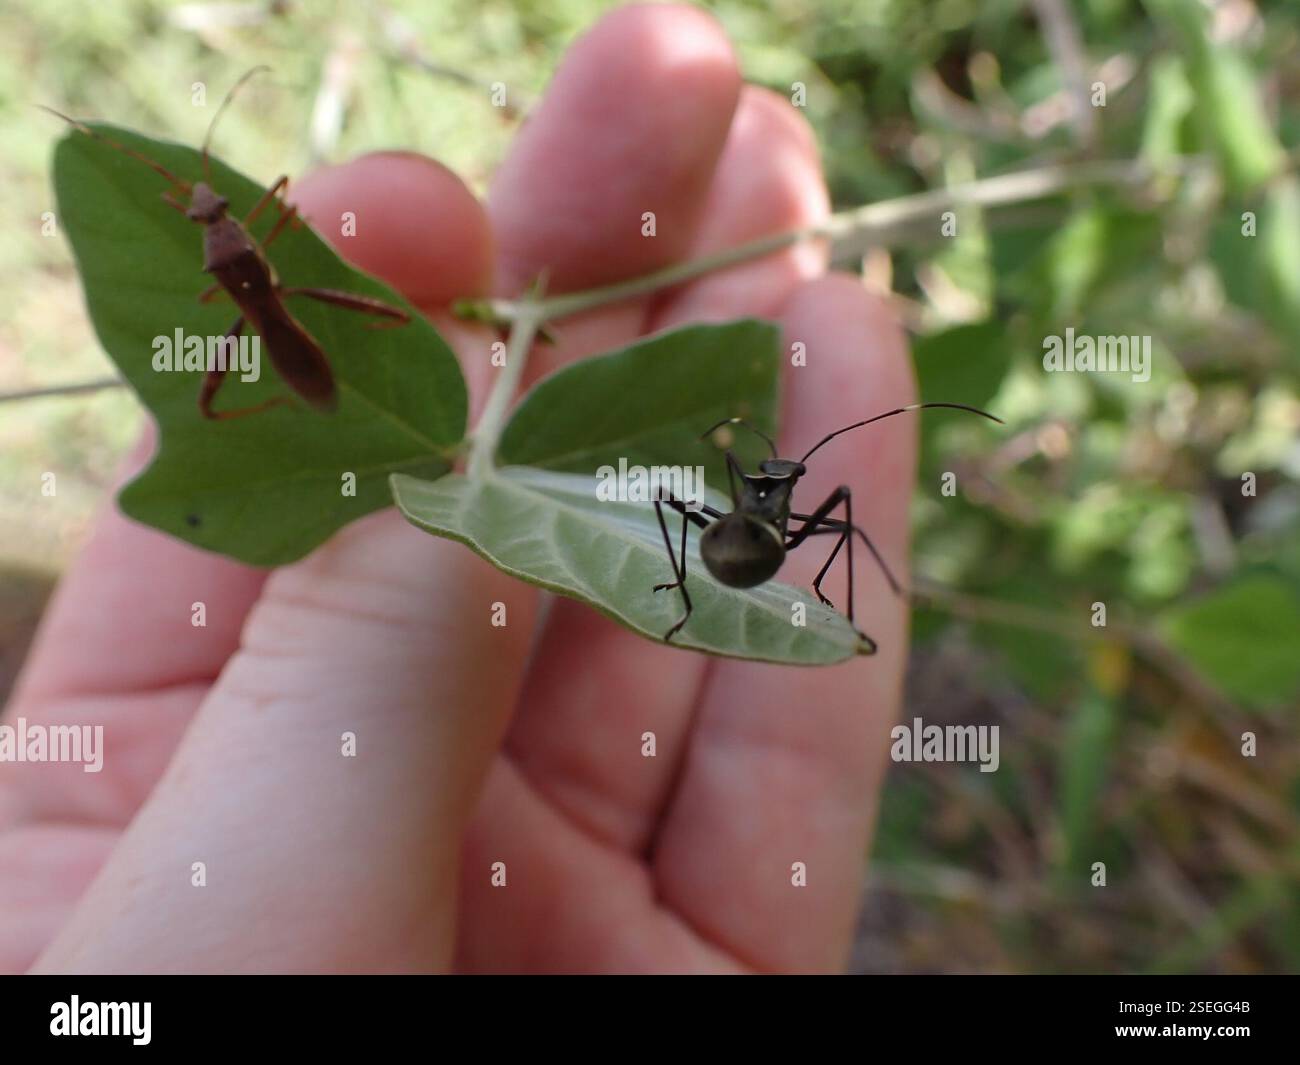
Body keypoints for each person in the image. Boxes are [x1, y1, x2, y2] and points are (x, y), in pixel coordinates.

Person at [2, 3, 915, 974]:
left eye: (212, 216)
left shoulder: (230, 253)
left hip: (288, 320)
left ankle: (281, 407)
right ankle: (288, 405)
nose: (214, 223)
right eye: (213, 222)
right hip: (289, 321)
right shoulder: (240, 248)